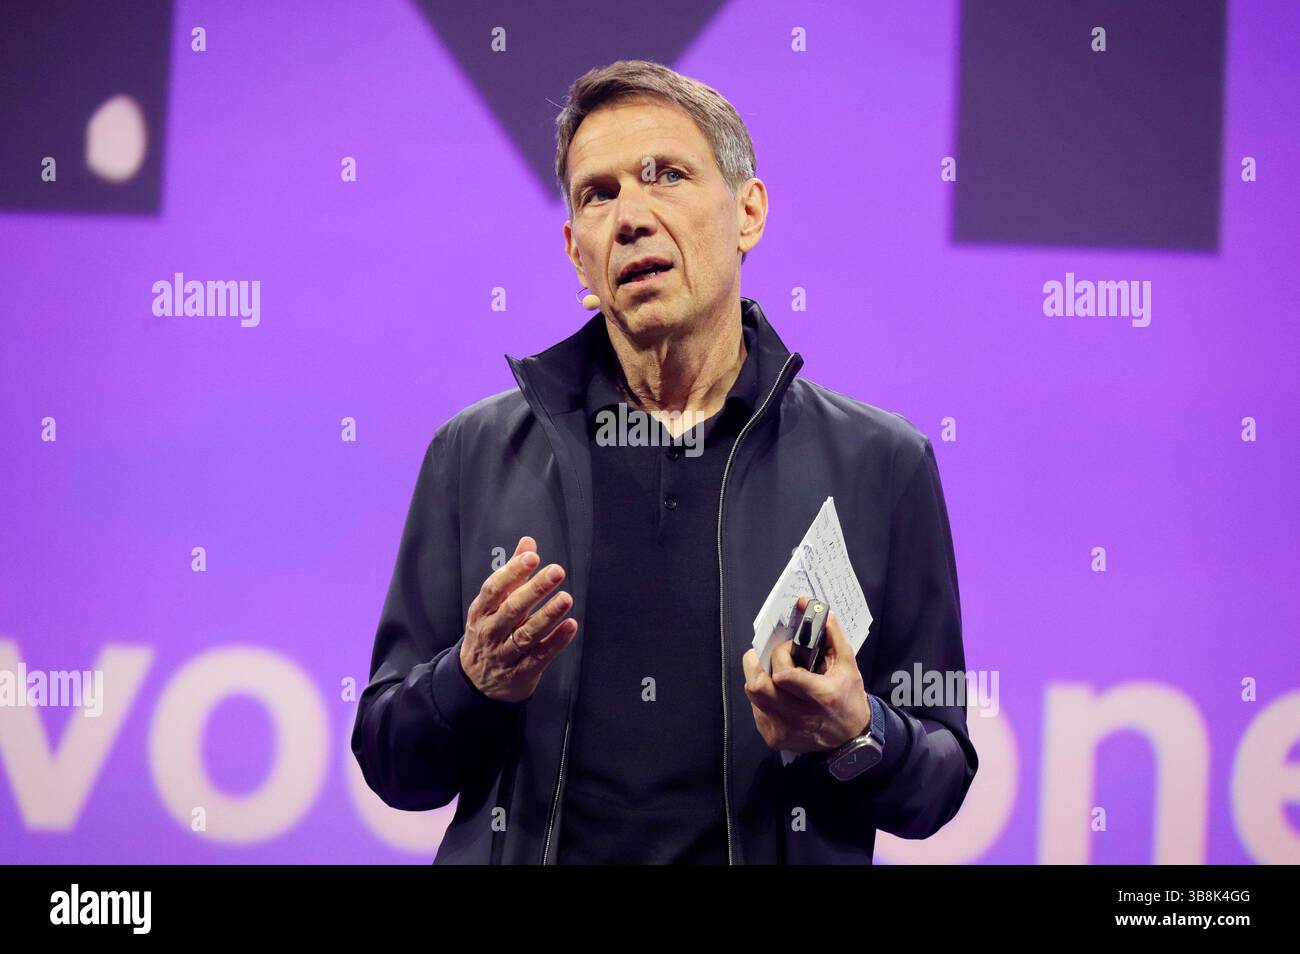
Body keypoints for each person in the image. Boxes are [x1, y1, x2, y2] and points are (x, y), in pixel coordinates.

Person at [351, 59, 977, 864]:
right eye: (598, 195)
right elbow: (391, 761)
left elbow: (942, 776)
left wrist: (855, 732)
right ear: (579, 255)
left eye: (667, 177)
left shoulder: (881, 464)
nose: (631, 218)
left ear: (748, 212)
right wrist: (469, 682)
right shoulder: (471, 454)